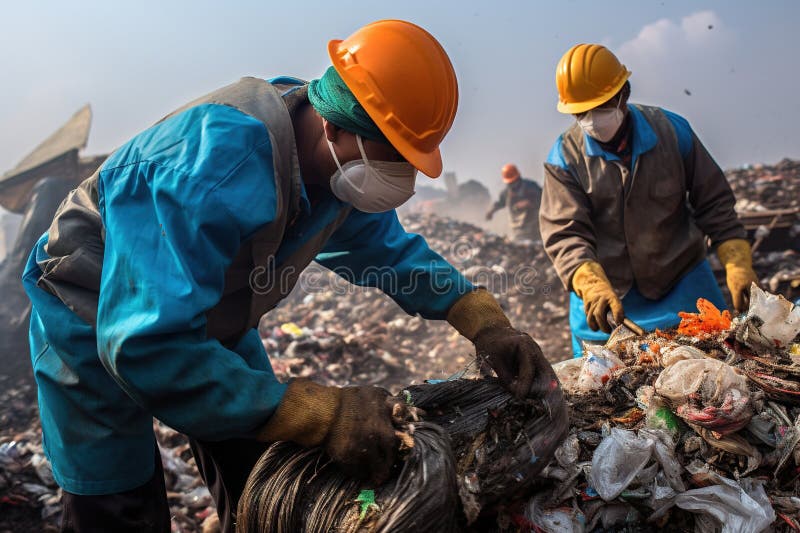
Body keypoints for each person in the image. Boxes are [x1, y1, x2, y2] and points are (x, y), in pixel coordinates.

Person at [22, 20, 553, 533]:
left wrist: (481, 318)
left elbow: (390, 253)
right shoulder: (213, 165)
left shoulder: (333, 171)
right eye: (391, 157)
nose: (400, 177)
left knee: (266, 475)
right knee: (119, 503)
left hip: (213, 315)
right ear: (336, 125)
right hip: (90, 312)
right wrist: (322, 413)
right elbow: (144, 343)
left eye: (408, 161)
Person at [539, 43, 758, 358]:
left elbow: (715, 204)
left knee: (718, 358)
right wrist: (591, 285)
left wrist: (737, 263)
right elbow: (565, 234)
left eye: (599, 105)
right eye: (581, 112)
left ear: (622, 94)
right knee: (599, 383)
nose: (592, 118)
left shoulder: (672, 131)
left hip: (681, 280)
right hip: (609, 293)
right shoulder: (564, 157)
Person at [485, 163, 543, 242]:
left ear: (518, 178)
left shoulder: (530, 186)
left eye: (514, 182)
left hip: (534, 226)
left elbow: (544, 199)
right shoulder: (506, 192)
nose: (512, 185)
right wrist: (491, 211)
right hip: (518, 229)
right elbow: (500, 203)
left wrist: (529, 203)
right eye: (510, 183)